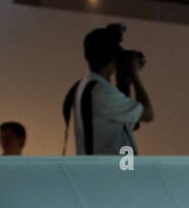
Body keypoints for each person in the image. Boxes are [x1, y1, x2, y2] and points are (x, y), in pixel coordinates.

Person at [65, 26, 154, 155]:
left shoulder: (86, 84)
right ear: (114, 58)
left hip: (104, 170)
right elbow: (148, 113)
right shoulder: (102, 92)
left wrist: (123, 82)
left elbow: (123, 122)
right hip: (112, 172)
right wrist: (135, 76)